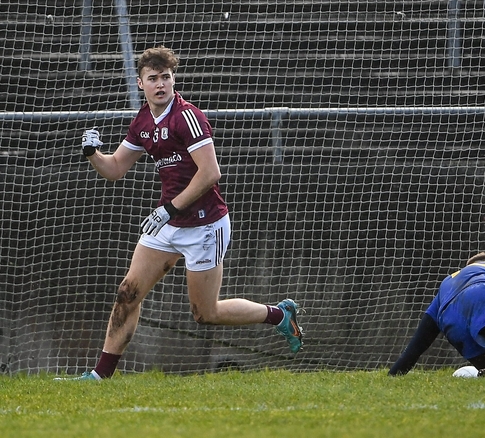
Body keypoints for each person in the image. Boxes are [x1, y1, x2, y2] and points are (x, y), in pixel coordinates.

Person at [58, 46, 303, 381]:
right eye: (153, 78)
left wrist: (169, 208)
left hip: (204, 225)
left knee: (206, 313)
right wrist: (92, 153)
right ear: (141, 83)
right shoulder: (143, 121)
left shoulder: (187, 116)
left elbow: (210, 173)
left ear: (173, 80)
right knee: (128, 292)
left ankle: (279, 315)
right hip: (167, 223)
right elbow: (115, 168)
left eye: (166, 77)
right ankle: (98, 377)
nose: (161, 84)